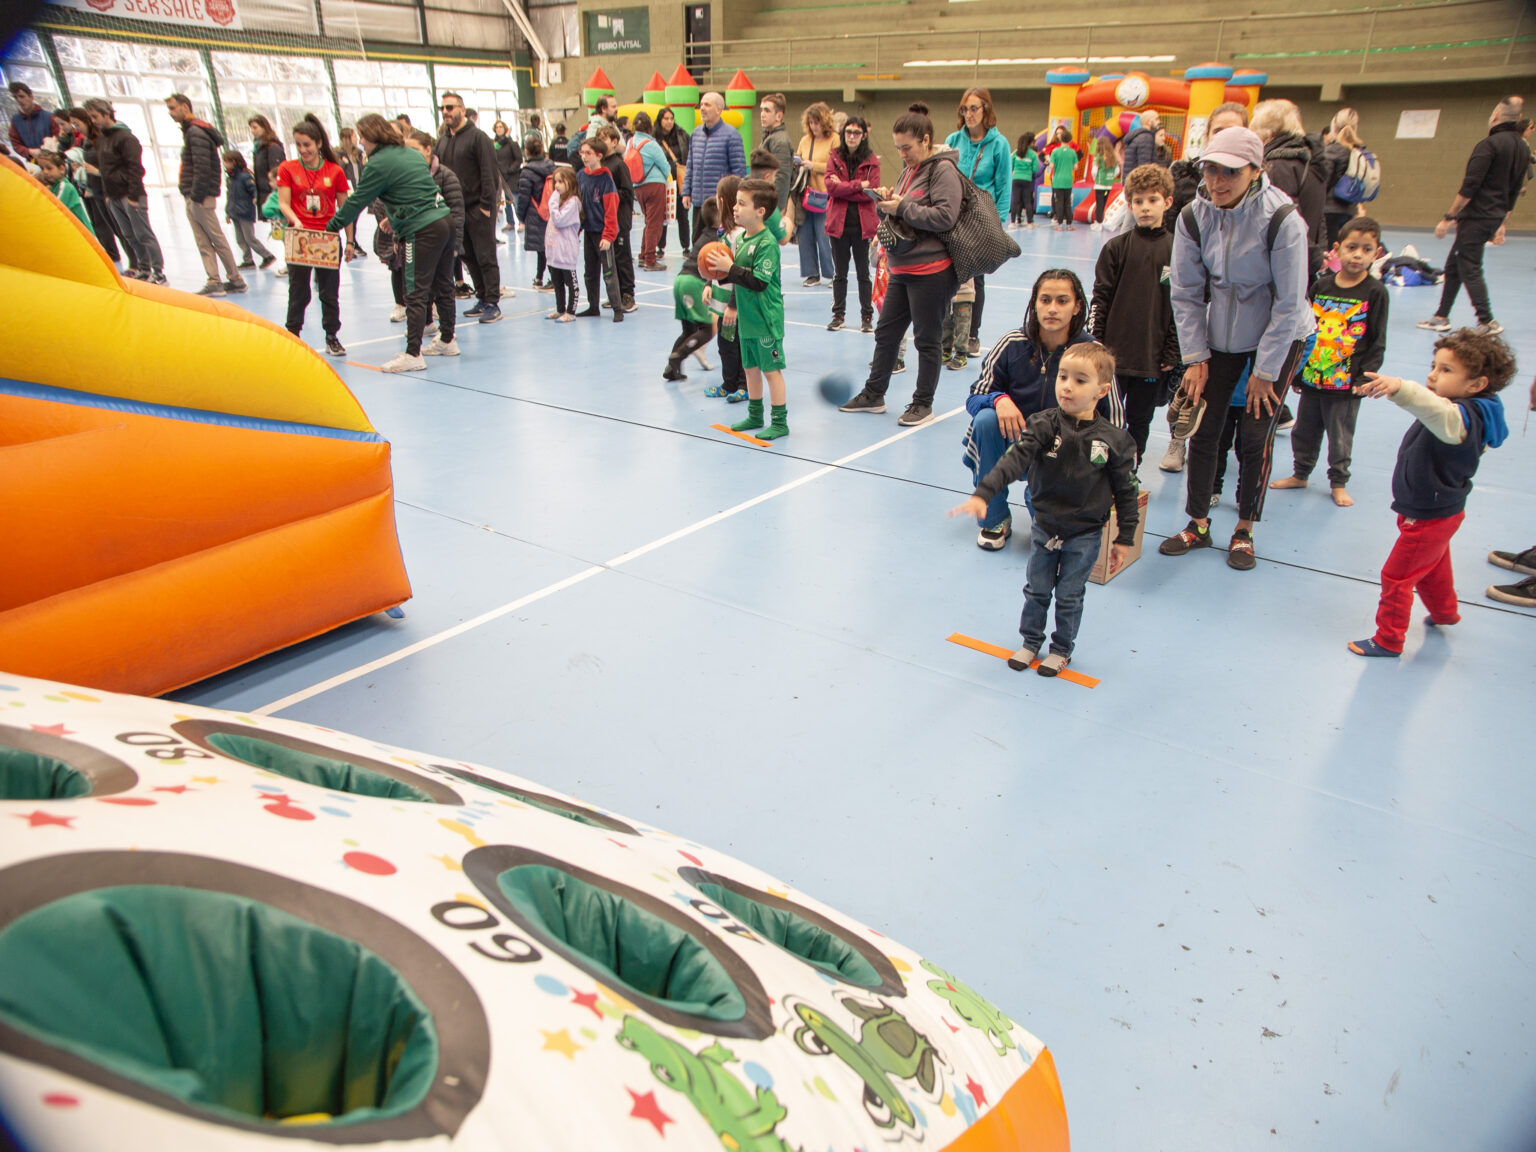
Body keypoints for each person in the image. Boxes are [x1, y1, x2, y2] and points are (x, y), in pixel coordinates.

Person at [1160, 126, 1311, 571]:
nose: (1218, 181)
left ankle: (1244, 528)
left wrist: (1265, 370)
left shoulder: (1283, 220)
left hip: (1277, 335)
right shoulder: (1192, 216)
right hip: (1220, 336)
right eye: (1211, 169)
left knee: (1253, 434)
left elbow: (1289, 303)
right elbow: (1185, 292)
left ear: (1256, 171)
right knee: (1204, 431)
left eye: (1231, 171)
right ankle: (1198, 523)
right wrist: (1197, 357)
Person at [947, 341, 1138, 677]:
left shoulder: (1115, 441)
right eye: (1063, 376)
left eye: (1080, 380)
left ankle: (1061, 649)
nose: (1067, 385)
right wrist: (984, 492)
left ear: (1102, 390)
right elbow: (1014, 459)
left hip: (1085, 533)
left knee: (1069, 594)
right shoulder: (1043, 424)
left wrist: (1124, 538)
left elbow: (1125, 492)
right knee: (1036, 588)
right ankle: (1030, 641)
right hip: (1045, 526)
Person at [1347, 329, 1513, 656]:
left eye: (1446, 370)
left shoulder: (1458, 420)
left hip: (1426, 515)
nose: (1432, 374)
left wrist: (1400, 388)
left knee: (1396, 576)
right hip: (1442, 510)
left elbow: (1434, 410)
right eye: (1434, 365)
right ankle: (1445, 612)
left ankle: (1389, 640)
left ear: (1476, 385)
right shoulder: (1473, 407)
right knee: (1434, 565)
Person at [960, 269, 1122, 549]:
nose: (1052, 309)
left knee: (1052, 537)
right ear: (1034, 303)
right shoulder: (1012, 343)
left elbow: (1116, 422)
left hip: (1065, 452)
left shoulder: (1092, 353)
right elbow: (975, 396)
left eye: (1062, 301)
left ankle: (1045, 510)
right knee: (985, 420)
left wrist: (1113, 473)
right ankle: (995, 518)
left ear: (1077, 306)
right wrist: (999, 400)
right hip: (1016, 442)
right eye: (1045, 300)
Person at [839, 103, 962, 427]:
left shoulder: (943, 170)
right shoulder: (911, 170)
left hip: (930, 271)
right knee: (886, 332)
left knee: (926, 339)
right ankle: (874, 393)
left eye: (906, 148)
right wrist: (887, 202)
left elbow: (945, 217)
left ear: (925, 140)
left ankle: (923, 403)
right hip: (902, 268)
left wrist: (903, 205)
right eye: (898, 148)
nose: (902, 154)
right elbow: (903, 213)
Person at [1270, 216, 1389, 508]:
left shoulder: (1375, 292)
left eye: (1366, 249)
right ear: (1336, 249)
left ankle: (1338, 481)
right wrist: (1296, 373)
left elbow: (1377, 339)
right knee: (1304, 430)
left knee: (1340, 436)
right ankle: (1301, 473)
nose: (1358, 255)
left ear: (1376, 253)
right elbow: (1303, 331)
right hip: (1313, 377)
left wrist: (1364, 379)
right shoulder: (1321, 286)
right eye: (1351, 247)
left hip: (1346, 383)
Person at [326, 114, 452, 373]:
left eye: (362, 136)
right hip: (443, 220)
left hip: (421, 229)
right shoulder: (412, 154)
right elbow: (412, 190)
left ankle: (413, 353)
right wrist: (395, 219)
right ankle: (448, 339)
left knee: (414, 291)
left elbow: (357, 201)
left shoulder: (378, 164)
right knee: (443, 283)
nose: (360, 142)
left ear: (373, 136)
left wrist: (330, 227)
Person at [1418, 95, 1529, 337]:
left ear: (1496, 116)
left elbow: (1469, 187)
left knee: (1469, 266)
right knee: (1454, 265)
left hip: (1477, 217)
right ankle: (1441, 316)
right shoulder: (1522, 147)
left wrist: (1448, 217)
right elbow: (1514, 190)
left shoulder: (1488, 146)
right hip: (1493, 216)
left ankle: (1487, 320)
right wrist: (1502, 223)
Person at [1091, 163, 1179, 468]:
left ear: (1167, 202)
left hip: (1151, 357)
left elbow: (1183, 306)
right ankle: (1098, 470)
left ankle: (1129, 470)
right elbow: (1100, 299)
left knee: (1140, 420)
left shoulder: (1178, 251)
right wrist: (1096, 342)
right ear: (1129, 205)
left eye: (1152, 200)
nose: (1145, 208)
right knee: (1103, 417)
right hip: (1114, 355)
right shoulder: (1116, 249)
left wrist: (1172, 349)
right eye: (1138, 201)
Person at [704, 178, 789, 441]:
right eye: (735, 203)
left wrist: (729, 268)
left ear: (760, 211)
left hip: (765, 319)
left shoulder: (767, 243)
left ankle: (779, 421)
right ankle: (755, 414)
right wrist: (715, 276)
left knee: (770, 371)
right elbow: (735, 277)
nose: (735, 208)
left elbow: (759, 282)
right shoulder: (740, 238)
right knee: (750, 368)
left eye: (742, 204)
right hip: (747, 319)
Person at [276, 116, 350, 355]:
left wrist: (350, 241)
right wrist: (296, 221)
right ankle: (292, 334)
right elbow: (283, 203)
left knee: (329, 292)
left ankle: (332, 336)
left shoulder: (335, 171)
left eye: (307, 144)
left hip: (326, 239)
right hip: (300, 237)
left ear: (318, 143)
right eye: (298, 144)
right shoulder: (288, 168)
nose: (302, 149)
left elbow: (345, 208)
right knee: (298, 290)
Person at [945, 87, 1011, 355]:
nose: (969, 114)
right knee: (949, 276)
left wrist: (999, 223)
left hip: (983, 219)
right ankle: (948, 334)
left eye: (974, 108)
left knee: (976, 279)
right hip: (953, 218)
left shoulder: (999, 144)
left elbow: (1004, 186)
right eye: (965, 109)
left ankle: (972, 334)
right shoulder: (953, 140)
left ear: (986, 110)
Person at [164, 93, 245, 296]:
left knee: (214, 238)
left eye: (173, 108)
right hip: (195, 194)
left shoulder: (196, 133)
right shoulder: (192, 131)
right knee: (203, 240)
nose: (171, 113)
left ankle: (234, 278)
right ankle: (215, 279)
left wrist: (196, 196)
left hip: (199, 196)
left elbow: (202, 167)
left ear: (185, 106)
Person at [435, 91, 503, 323]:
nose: (446, 112)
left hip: (478, 208)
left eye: (450, 107)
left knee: (485, 255)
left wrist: (486, 205)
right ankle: (482, 297)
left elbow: (489, 173)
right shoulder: (443, 140)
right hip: (455, 211)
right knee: (468, 256)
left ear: (462, 110)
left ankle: (493, 302)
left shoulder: (478, 138)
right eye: (443, 108)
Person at [85, 99, 164, 284]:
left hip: (130, 194)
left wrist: (134, 195)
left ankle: (159, 272)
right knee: (129, 235)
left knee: (143, 234)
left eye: (95, 116)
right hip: (113, 196)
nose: (93, 121)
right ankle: (144, 268)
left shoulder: (125, 138)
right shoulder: (102, 138)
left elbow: (135, 168)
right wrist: (106, 193)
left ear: (106, 114)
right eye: (90, 117)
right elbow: (106, 168)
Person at [399, 128, 464, 344]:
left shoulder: (445, 175)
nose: (411, 155)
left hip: (442, 238)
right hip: (416, 239)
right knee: (420, 287)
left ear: (428, 150)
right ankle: (426, 324)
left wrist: (456, 243)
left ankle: (445, 338)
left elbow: (456, 211)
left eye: (416, 150)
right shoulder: (407, 175)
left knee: (443, 286)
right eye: (407, 151)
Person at [1252, 99, 1327, 276]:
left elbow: (1283, 218)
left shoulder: (1278, 166)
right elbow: (1319, 214)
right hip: (1304, 255)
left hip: (1285, 261)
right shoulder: (1310, 161)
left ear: (1268, 135)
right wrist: (1318, 252)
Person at [824, 115, 879, 333]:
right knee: (840, 273)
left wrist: (845, 188)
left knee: (864, 273)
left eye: (857, 132)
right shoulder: (835, 156)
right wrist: (858, 185)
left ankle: (867, 317)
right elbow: (831, 188)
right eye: (848, 132)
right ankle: (838, 315)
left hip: (862, 226)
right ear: (843, 134)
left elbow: (870, 193)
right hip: (839, 224)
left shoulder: (872, 160)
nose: (852, 136)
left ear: (864, 135)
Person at [664, 196, 721, 381]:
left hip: (680, 280)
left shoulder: (702, 234)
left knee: (689, 331)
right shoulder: (718, 239)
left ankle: (671, 369)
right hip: (694, 283)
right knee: (707, 328)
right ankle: (679, 355)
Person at [681, 92, 747, 237]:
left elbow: (739, 172)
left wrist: (737, 201)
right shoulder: (695, 134)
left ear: (718, 109)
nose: (702, 108)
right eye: (701, 104)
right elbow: (690, 165)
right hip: (699, 204)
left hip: (720, 205)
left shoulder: (732, 135)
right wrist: (686, 191)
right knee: (698, 243)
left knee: (719, 244)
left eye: (707, 105)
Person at [706, 174, 747, 402]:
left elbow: (738, 271)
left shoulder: (738, 235)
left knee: (738, 344)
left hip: (735, 304)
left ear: (723, 201)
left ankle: (744, 384)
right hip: (722, 303)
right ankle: (729, 383)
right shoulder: (723, 231)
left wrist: (733, 305)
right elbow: (714, 265)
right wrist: (707, 285)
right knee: (725, 345)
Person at [574, 137, 623, 322]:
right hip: (589, 232)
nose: (584, 157)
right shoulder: (581, 175)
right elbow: (578, 205)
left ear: (599, 155)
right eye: (582, 153)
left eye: (588, 153)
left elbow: (611, 209)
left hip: (603, 234)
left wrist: (609, 235)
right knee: (590, 272)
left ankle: (617, 308)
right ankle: (593, 306)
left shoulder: (605, 179)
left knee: (609, 273)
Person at [66, 107, 122, 264]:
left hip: (106, 189)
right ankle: (113, 258)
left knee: (119, 228)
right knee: (100, 225)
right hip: (92, 188)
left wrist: (96, 172)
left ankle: (137, 264)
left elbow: (111, 167)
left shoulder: (100, 140)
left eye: (77, 124)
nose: (75, 128)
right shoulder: (85, 141)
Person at [593, 124, 637, 310]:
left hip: (620, 218)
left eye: (605, 139)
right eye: (599, 138)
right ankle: (615, 294)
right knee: (609, 258)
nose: (601, 142)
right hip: (604, 219)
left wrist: (610, 194)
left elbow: (627, 191)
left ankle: (628, 295)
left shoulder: (619, 164)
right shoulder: (599, 165)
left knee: (622, 257)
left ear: (614, 141)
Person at [794, 101, 837, 286]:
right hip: (805, 194)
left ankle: (832, 273)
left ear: (825, 122)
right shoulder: (805, 140)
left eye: (817, 122)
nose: (814, 126)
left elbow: (836, 165)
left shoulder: (834, 139)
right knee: (805, 236)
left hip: (824, 195)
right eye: (811, 122)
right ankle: (811, 273)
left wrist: (815, 166)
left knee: (824, 235)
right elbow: (798, 156)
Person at [630, 112, 671, 271]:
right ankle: (650, 259)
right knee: (654, 223)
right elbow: (665, 166)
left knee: (648, 222)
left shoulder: (630, 142)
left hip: (638, 186)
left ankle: (642, 255)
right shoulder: (651, 144)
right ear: (651, 126)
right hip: (654, 186)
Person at [1321, 108, 1368, 245]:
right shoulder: (1359, 152)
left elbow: (1323, 182)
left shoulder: (1332, 151)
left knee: (1329, 248)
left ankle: (1332, 267)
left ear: (1333, 126)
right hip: (1349, 209)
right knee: (1340, 247)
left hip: (1329, 210)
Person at [516, 133, 557, 289]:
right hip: (552, 212)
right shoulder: (552, 167)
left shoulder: (527, 172)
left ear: (526, 151)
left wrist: (521, 216)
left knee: (542, 248)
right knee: (548, 246)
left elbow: (523, 197)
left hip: (536, 214)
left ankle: (552, 279)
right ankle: (540, 277)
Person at [222, 149, 274, 270]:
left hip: (245, 212)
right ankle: (248, 260)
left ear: (233, 162)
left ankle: (267, 255)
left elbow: (253, 189)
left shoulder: (244, 176)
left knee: (249, 238)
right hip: (235, 212)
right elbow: (229, 196)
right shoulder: (230, 178)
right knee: (240, 239)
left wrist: (256, 198)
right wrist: (228, 212)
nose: (224, 164)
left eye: (226, 161)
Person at [543, 165, 581, 323]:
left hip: (566, 252)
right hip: (554, 252)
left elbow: (559, 220)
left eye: (560, 181)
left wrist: (552, 203)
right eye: (555, 182)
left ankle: (571, 312)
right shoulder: (559, 201)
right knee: (557, 282)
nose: (556, 186)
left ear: (570, 182)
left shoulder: (573, 202)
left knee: (571, 284)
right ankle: (560, 309)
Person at [654, 107, 689, 253]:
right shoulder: (654, 138)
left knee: (683, 215)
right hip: (664, 180)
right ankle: (660, 246)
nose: (669, 122)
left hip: (680, 180)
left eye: (671, 118)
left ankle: (686, 246)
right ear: (660, 120)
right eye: (666, 118)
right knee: (664, 214)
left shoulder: (681, 134)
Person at [758, 92, 795, 230]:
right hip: (763, 200)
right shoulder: (769, 137)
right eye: (761, 109)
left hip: (770, 205)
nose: (762, 114)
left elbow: (782, 177)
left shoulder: (780, 141)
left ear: (779, 116)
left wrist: (775, 208)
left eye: (767, 110)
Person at [34, 150, 92, 232]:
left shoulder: (65, 187)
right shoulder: (54, 187)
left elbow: (53, 209)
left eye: (49, 168)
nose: (45, 172)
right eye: (42, 168)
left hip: (82, 234)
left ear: (61, 168)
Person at [8, 82, 66, 160]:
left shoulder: (49, 117)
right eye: (16, 97)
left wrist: (48, 152)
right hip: (31, 160)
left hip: (52, 160)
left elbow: (58, 138)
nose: (19, 100)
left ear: (31, 96)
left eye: (22, 96)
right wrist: (29, 151)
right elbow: (15, 143)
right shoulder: (15, 121)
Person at [336, 126, 367, 259]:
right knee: (350, 218)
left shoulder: (358, 153)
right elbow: (338, 171)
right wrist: (343, 163)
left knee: (355, 218)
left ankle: (353, 242)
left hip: (358, 189)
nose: (356, 139)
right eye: (354, 136)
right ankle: (352, 243)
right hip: (347, 191)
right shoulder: (338, 154)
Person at [249, 115, 286, 214]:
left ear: (264, 127)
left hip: (273, 194)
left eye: (255, 127)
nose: (252, 131)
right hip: (264, 194)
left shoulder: (272, 147)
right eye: (251, 127)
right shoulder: (259, 148)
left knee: (277, 224)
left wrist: (274, 192)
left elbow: (277, 171)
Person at [492, 118, 522, 233]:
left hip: (512, 176)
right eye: (497, 127)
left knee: (515, 200)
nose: (499, 129)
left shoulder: (512, 144)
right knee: (505, 203)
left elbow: (518, 158)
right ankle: (510, 222)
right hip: (500, 177)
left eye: (501, 127)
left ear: (504, 129)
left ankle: (521, 222)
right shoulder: (494, 145)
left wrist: (510, 169)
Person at [1048, 128, 1078, 230]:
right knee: (1067, 203)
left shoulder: (1055, 152)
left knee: (1059, 202)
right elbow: (1076, 167)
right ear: (1070, 140)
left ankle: (1059, 225)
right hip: (1068, 180)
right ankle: (1069, 225)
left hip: (1057, 181)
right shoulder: (1073, 152)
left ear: (1061, 139)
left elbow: (1051, 166)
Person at [1010, 136, 1040, 227]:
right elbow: (1035, 168)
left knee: (1015, 200)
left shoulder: (1016, 152)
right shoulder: (1032, 154)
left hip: (1016, 178)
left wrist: (1015, 171)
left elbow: (1011, 164)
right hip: (1027, 179)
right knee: (1027, 201)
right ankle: (1030, 222)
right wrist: (1028, 171)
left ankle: (1012, 222)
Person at [1090, 135, 1119, 230]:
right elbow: (1117, 170)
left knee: (1099, 204)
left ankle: (1098, 223)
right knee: (1103, 204)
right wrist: (1111, 178)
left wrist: (1095, 179)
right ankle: (1099, 222)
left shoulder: (1098, 156)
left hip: (1100, 183)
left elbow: (1094, 170)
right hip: (1109, 184)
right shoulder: (1113, 157)